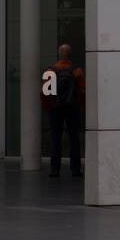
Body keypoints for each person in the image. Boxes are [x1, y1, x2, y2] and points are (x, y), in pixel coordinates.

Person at [43, 44, 85, 179]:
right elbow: (82, 91)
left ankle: (55, 169)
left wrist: (49, 107)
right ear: (70, 54)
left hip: (56, 109)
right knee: (74, 138)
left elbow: (44, 93)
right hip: (72, 108)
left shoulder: (50, 71)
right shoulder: (77, 71)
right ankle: (75, 169)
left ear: (59, 54)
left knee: (55, 138)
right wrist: (80, 106)